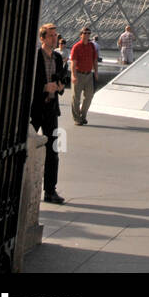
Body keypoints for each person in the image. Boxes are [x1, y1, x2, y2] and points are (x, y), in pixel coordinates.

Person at [30, 22, 66, 204]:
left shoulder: (58, 59)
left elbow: (61, 81)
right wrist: (44, 87)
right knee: (25, 146)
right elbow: (28, 82)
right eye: (51, 35)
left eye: (55, 35)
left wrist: (60, 87)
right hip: (36, 109)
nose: (55, 38)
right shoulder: (35, 57)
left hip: (51, 108)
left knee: (53, 150)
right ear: (42, 38)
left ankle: (50, 190)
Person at [70, 25, 99, 125]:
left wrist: (96, 72)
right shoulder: (76, 47)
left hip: (88, 75)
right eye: (85, 33)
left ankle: (83, 115)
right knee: (76, 98)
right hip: (78, 74)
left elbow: (94, 60)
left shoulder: (92, 46)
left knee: (89, 96)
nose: (87, 35)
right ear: (80, 35)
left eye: (89, 33)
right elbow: (73, 62)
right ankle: (77, 119)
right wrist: (73, 75)